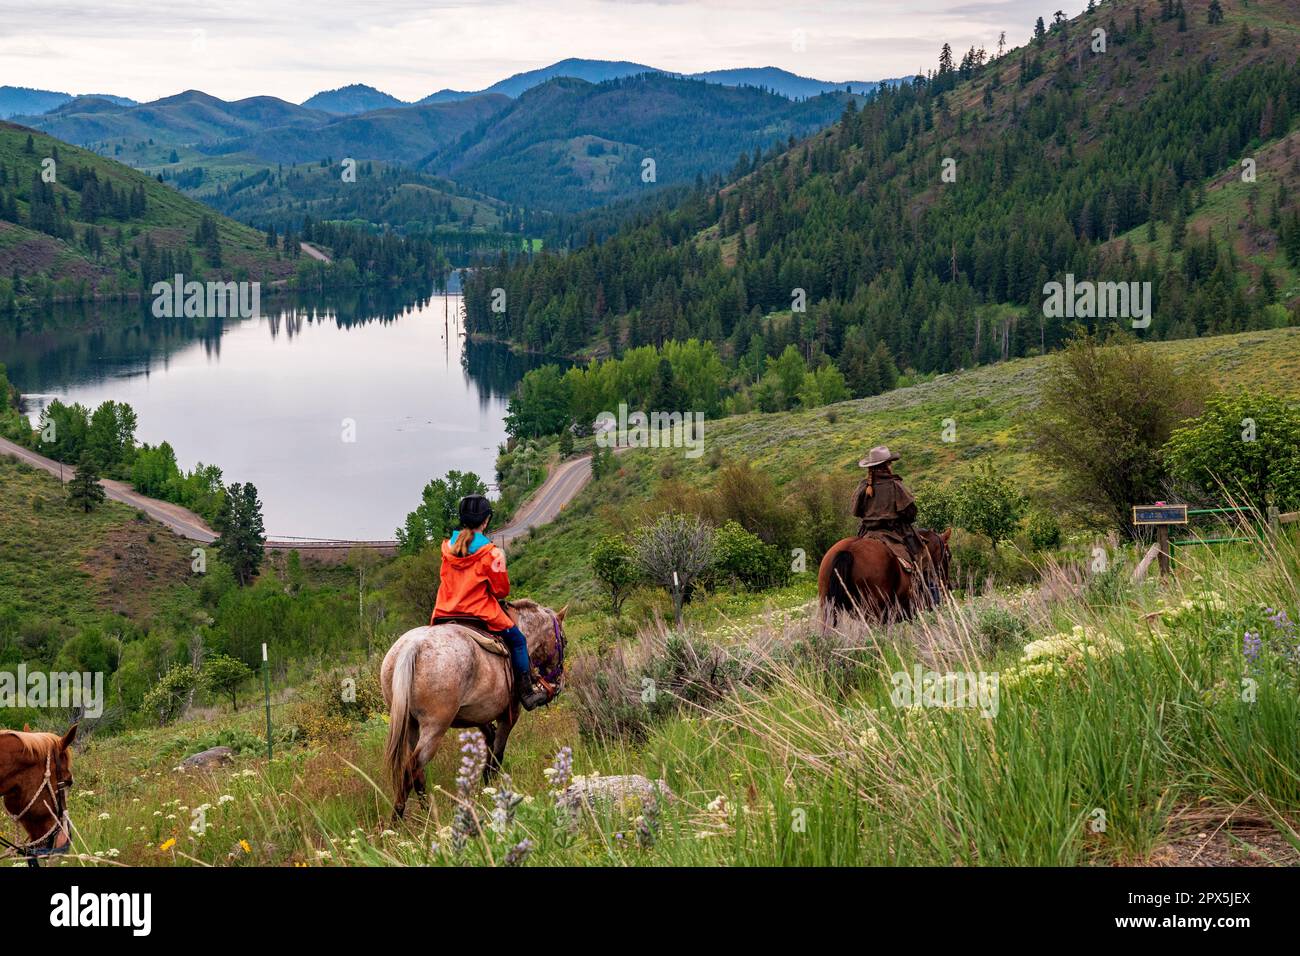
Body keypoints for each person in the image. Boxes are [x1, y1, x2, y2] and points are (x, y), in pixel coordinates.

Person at [431, 494, 550, 710]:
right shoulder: (493, 553)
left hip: (444, 612)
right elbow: (501, 590)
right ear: (486, 521)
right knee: (518, 641)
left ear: (462, 519)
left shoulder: (447, 548)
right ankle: (527, 694)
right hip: (479, 613)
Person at [851, 445, 925, 572]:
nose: (891, 466)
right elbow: (911, 514)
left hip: (867, 532)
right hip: (893, 532)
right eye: (890, 464)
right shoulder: (895, 485)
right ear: (886, 465)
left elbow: (856, 511)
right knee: (920, 557)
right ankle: (919, 580)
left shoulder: (863, 487)